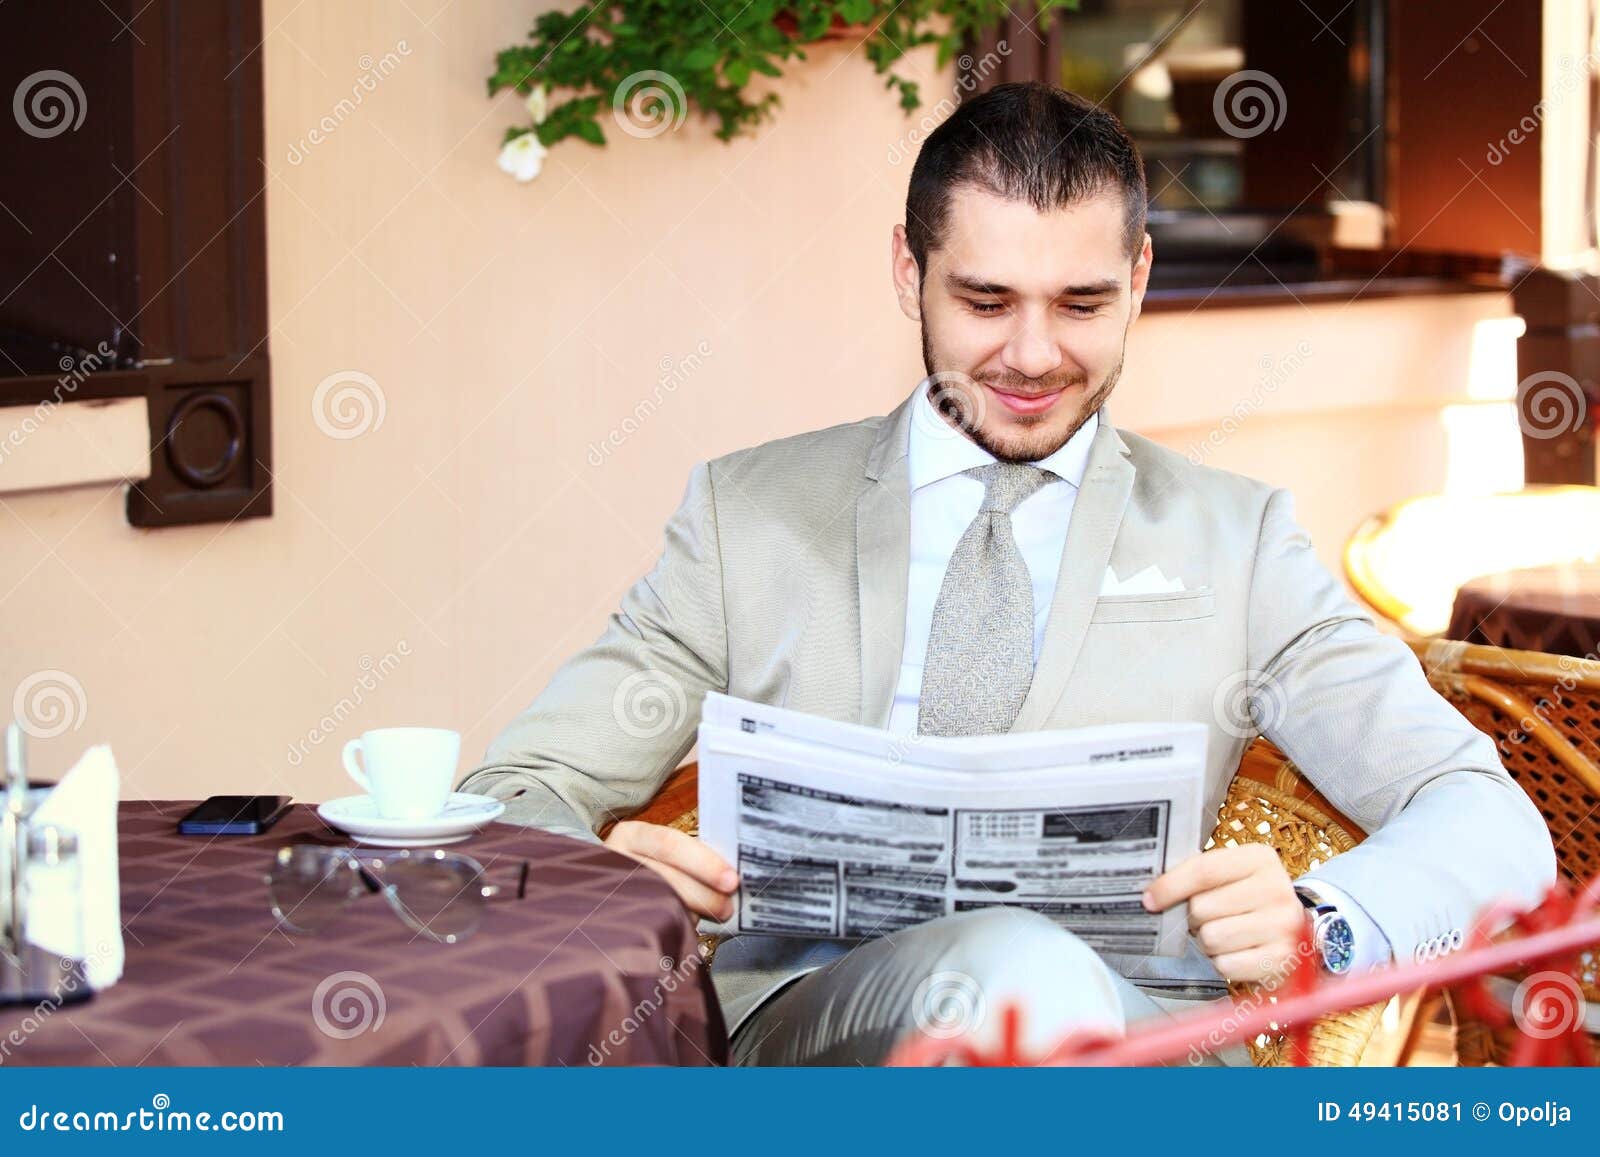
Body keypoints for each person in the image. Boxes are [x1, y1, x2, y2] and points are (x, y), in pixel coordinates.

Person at [460, 82, 1555, 1066]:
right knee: (1000, 967)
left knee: (1022, 974)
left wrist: (1323, 922)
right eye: (985, 301)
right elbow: (513, 793)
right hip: (811, 1034)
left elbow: (1486, 816)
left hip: (1147, 1054)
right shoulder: (745, 515)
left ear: (1138, 278)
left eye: (1080, 304)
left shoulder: (1242, 539)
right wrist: (607, 884)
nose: (1032, 356)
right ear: (908, 270)